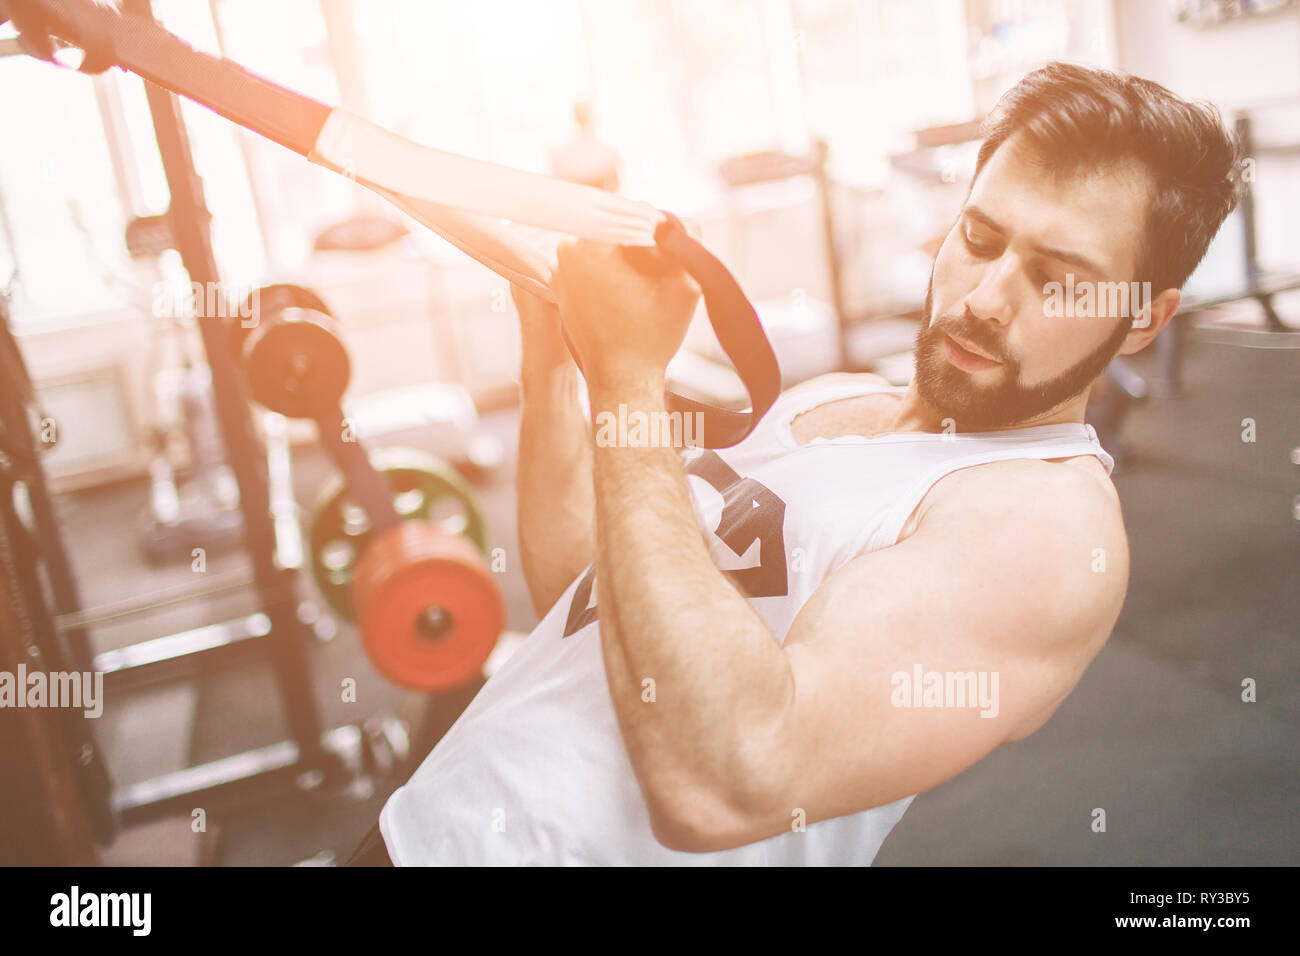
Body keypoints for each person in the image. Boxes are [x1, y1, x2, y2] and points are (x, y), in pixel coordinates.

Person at [348, 62, 1241, 866]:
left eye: (1057, 280)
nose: (986, 298)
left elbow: (728, 783)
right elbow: (591, 603)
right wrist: (552, 353)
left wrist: (627, 379)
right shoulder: (832, 400)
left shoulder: (1044, 527)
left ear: (1142, 320)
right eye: (978, 238)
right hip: (412, 833)